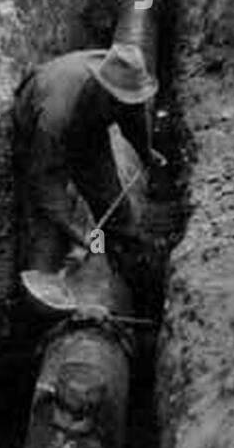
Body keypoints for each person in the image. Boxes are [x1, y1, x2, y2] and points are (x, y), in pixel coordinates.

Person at [12, 43, 166, 286]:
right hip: (35, 119)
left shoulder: (124, 84)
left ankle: (136, 277)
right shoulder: (55, 115)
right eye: (121, 102)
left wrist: (145, 153)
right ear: (104, 92)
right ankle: (35, 290)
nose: (127, 106)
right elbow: (44, 178)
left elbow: (134, 120)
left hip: (87, 124)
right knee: (43, 215)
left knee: (114, 205)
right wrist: (79, 233)